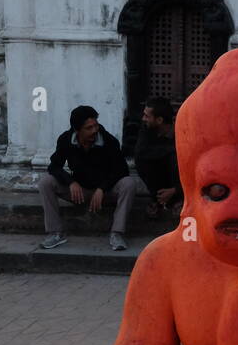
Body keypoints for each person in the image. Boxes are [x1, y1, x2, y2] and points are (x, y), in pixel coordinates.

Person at [39, 105, 136, 251]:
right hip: (80, 192)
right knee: (46, 182)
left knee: (129, 183)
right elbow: (54, 166)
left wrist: (102, 189)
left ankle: (117, 234)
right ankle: (55, 233)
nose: (94, 130)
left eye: (95, 125)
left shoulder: (108, 141)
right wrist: (71, 182)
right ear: (77, 130)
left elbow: (121, 170)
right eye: (89, 128)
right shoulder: (66, 139)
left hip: (105, 192)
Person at [134, 97, 182, 217]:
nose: (143, 119)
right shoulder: (147, 129)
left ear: (159, 120)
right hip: (159, 179)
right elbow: (141, 152)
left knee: (175, 157)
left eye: (147, 116)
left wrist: (175, 190)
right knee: (142, 160)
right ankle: (158, 199)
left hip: (178, 184)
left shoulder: (181, 130)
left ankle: (177, 199)